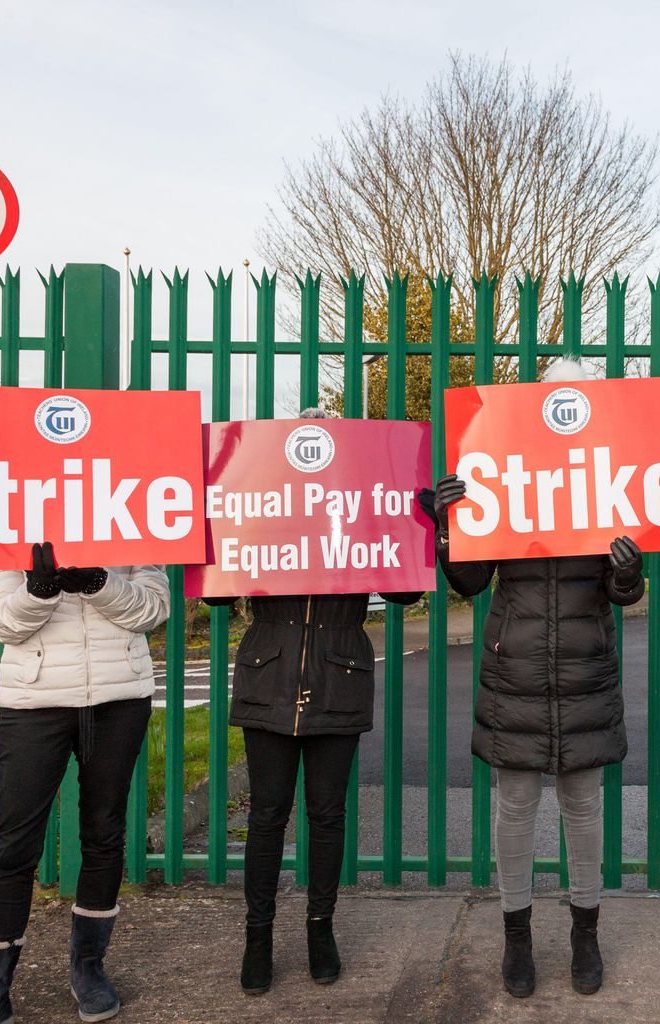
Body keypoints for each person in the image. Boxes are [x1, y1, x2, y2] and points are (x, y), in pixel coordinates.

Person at [420, 358, 645, 999]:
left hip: (584, 674)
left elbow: (623, 593)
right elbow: (469, 581)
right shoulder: (500, 475)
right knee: (514, 812)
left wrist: (628, 571)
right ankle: (515, 938)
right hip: (514, 672)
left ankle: (585, 933)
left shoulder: (612, 480)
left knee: (583, 811)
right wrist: (449, 530)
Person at [203, 407, 426, 996]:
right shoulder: (263, 504)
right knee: (267, 816)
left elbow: (404, 590)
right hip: (268, 674)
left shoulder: (361, 511)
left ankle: (320, 928)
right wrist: (215, 516)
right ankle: (258, 936)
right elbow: (218, 594)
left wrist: (417, 522)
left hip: (338, 676)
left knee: (327, 818)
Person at [0, 543, 170, 1024]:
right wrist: (39, 590)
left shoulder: (133, 522)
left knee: (103, 833)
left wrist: (99, 583)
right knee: (13, 845)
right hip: (34, 701)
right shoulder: (11, 526)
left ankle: (89, 969)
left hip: (118, 697)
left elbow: (155, 609)